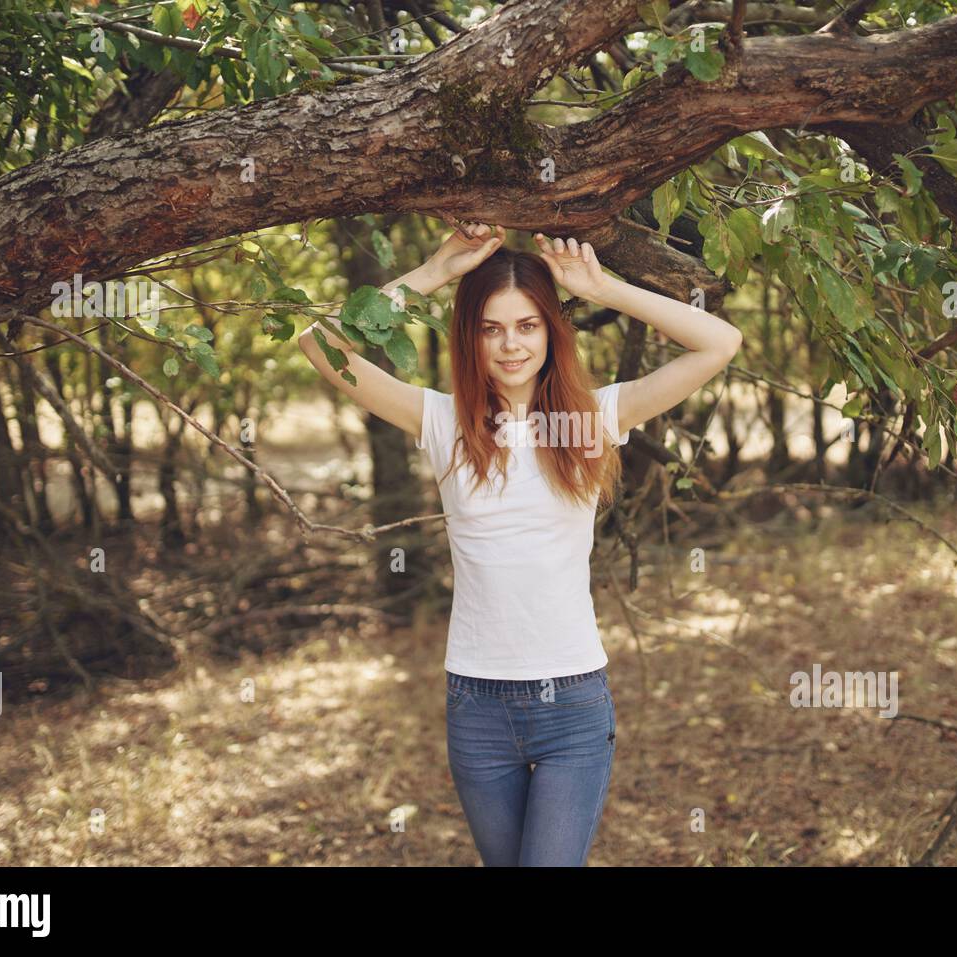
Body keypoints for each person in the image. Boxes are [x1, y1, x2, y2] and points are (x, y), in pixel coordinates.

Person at [299, 222, 742, 865]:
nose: (511, 345)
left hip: (572, 704)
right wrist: (433, 272)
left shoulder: (593, 418)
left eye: (528, 325)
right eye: (491, 328)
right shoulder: (441, 422)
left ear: (551, 331)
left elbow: (720, 342)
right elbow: (321, 345)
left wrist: (605, 288)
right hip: (476, 706)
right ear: (470, 336)